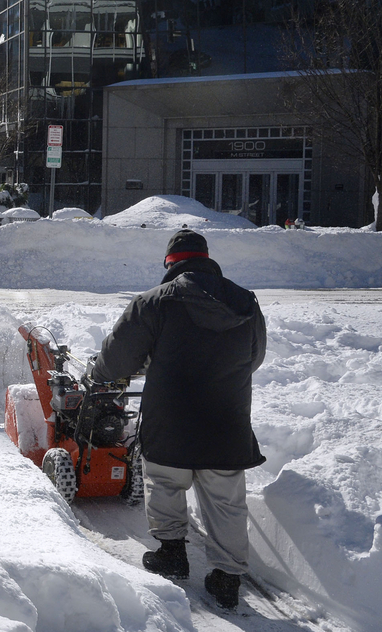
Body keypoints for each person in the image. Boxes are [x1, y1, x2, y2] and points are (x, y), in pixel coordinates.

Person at [90, 229, 266, 609]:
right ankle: (227, 578)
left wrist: (98, 373)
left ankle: (171, 554)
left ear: (170, 263)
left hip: (170, 422)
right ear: (206, 259)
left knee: (166, 482)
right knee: (226, 500)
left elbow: (117, 361)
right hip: (227, 422)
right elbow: (254, 357)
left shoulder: (153, 302)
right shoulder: (245, 301)